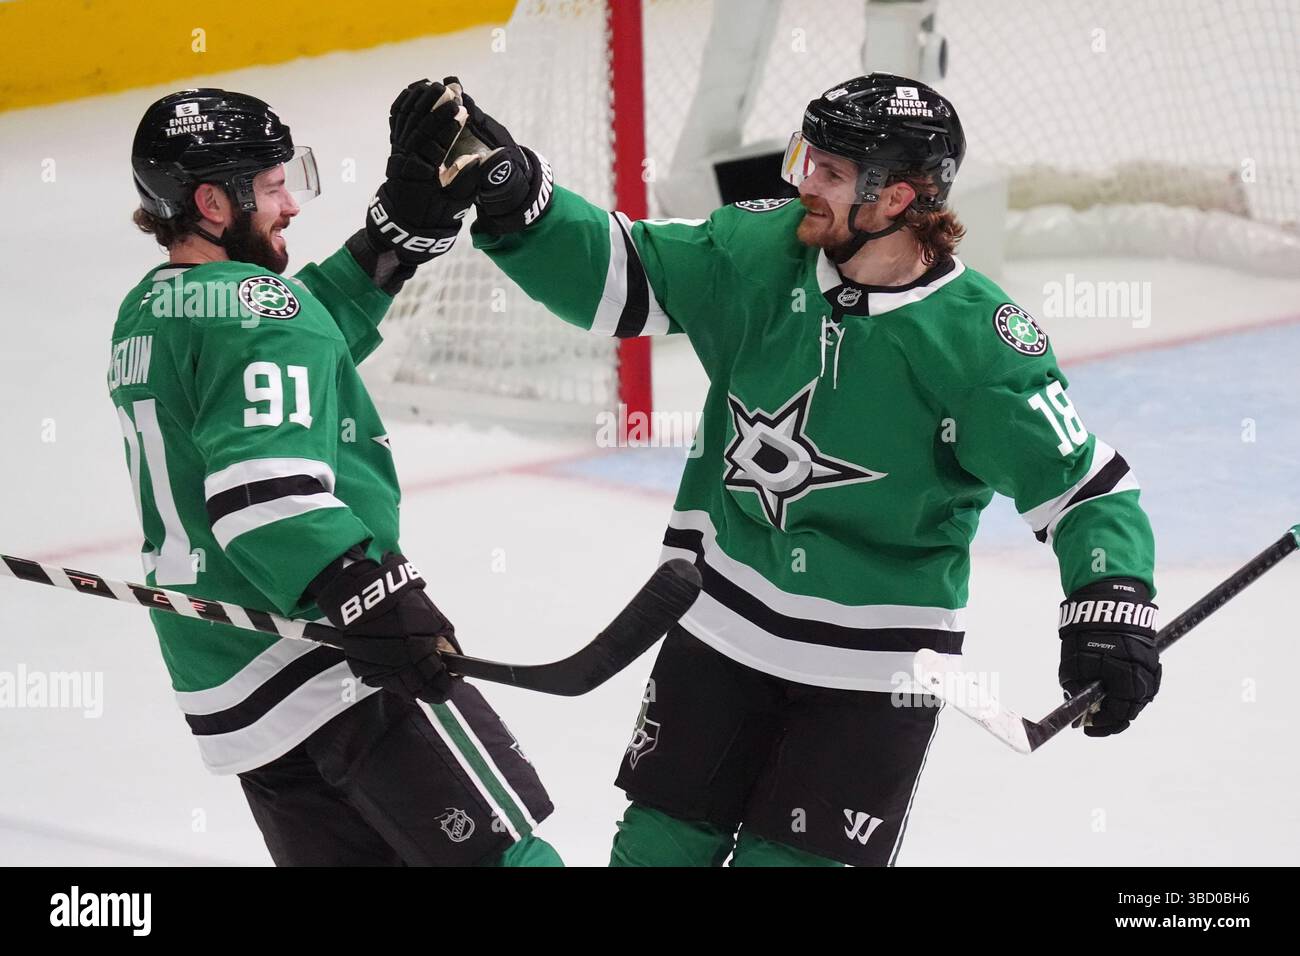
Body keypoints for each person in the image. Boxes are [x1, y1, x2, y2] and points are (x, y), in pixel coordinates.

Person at [439, 72, 1161, 866]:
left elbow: (1086, 489)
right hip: (721, 626)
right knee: (654, 853)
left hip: (875, 667)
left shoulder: (980, 344)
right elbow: (625, 272)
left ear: (897, 199)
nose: (802, 182)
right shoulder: (761, 251)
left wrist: (1110, 602)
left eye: (831, 172)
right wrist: (520, 199)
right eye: (805, 156)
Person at [112, 82, 560, 866]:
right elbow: (263, 493)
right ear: (215, 203)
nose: (291, 206)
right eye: (275, 187)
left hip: (228, 675)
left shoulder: (150, 309)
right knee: (503, 858)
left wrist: (390, 244)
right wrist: (378, 595)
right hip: (329, 655)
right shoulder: (259, 308)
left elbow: (284, 345)